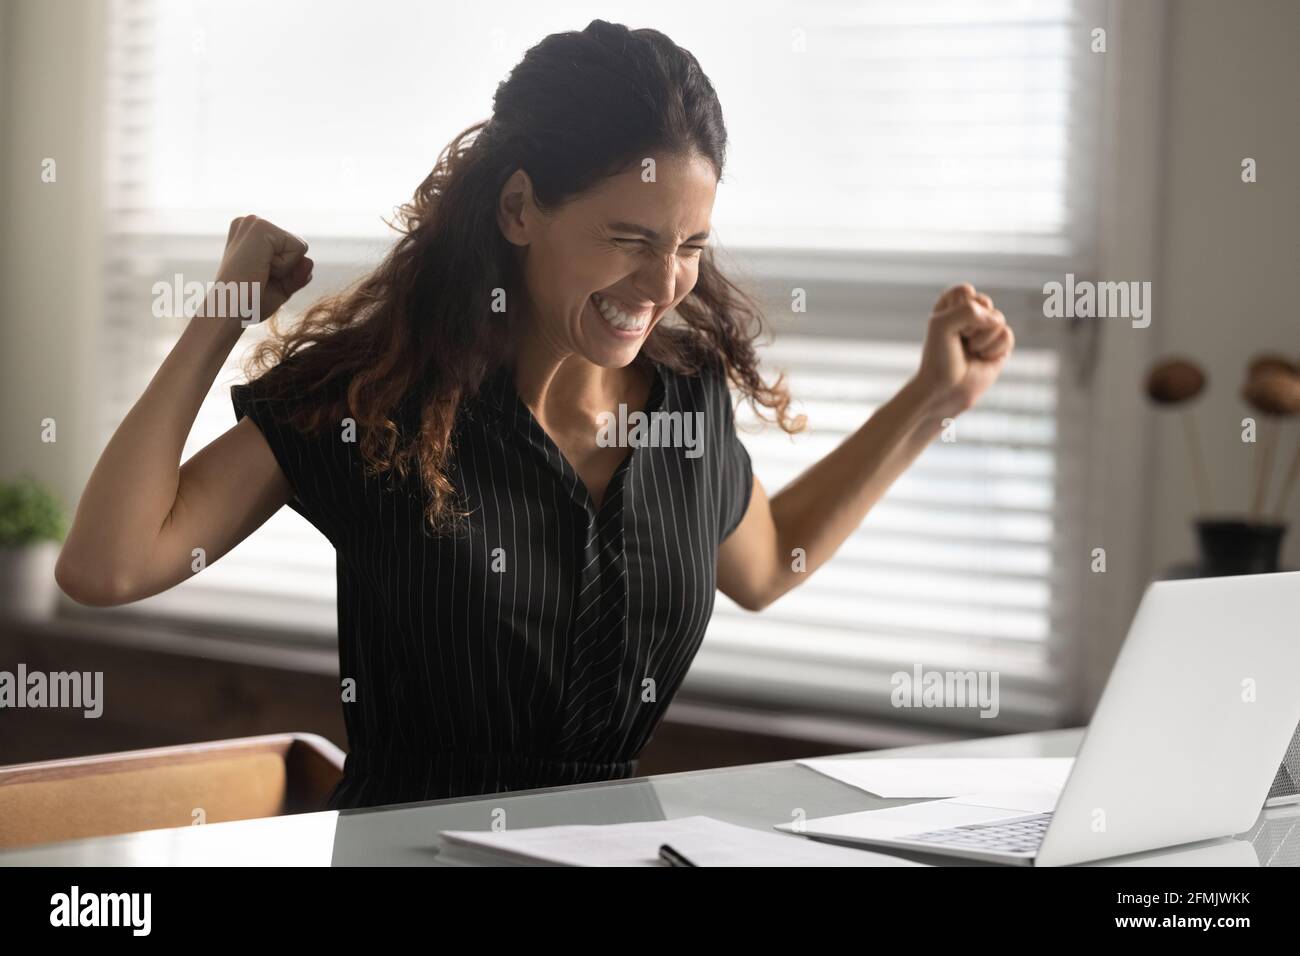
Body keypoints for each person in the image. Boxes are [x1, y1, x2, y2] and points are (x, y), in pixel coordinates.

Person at [55, 20, 1013, 809]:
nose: (664, 282)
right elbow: (108, 565)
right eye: (630, 238)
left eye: (689, 245)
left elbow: (767, 566)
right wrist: (222, 312)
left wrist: (932, 402)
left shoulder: (683, 411)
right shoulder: (377, 402)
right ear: (519, 208)